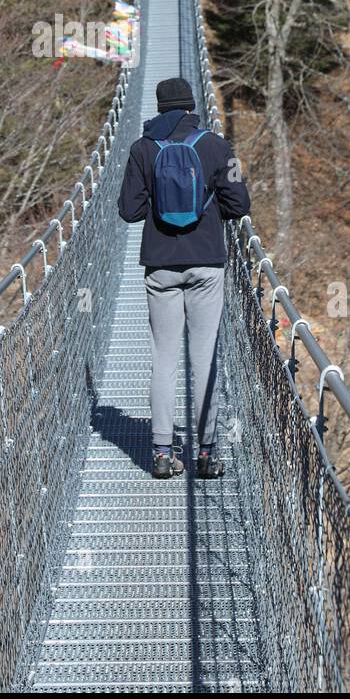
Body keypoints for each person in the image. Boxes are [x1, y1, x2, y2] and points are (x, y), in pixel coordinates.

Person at [117, 77, 250, 479]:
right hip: (207, 263)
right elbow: (239, 203)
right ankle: (206, 454)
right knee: (204, 357)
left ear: (158, 109)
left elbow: (129, 211)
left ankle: (160, 453)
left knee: (164, 358)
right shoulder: (216, 145)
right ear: (193, 107)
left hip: (160, 267)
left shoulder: (142, 148)